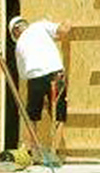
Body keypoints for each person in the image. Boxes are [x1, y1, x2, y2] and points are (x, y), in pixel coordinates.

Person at [9, 16, 71, 147]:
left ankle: (33, 151)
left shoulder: (19, 46)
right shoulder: (40, 26)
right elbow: (64, 30)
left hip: (35, 79)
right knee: (58, 116)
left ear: (15, 33)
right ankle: (54, 151)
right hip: (55, 75)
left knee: (32, 117)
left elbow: (23, 75)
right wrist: (67, 20)